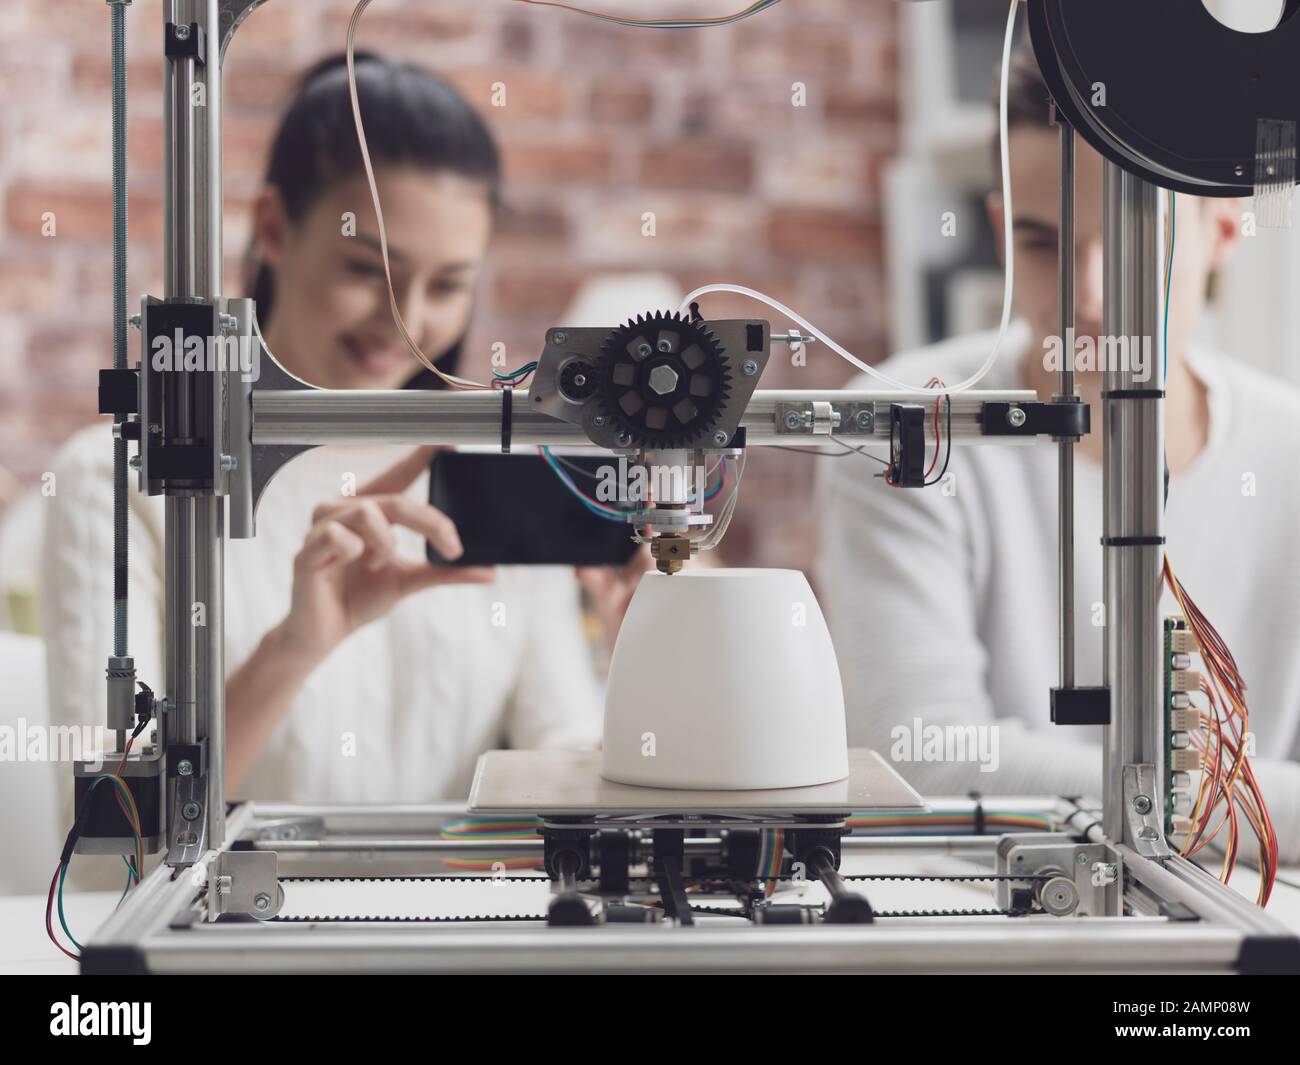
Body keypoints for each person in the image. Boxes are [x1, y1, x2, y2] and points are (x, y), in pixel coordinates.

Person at [41, 55, 607, 833]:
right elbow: (112, 842)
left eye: (446, 285)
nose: (406, 319)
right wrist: (292, 649)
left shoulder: (499, 471)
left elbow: (563, 749)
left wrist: (654, 665)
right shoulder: (117, 479)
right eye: (366, 269)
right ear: (272, 227)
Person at [816, 40, 1300, 861]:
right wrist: (1243, 803)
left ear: (1224, 228)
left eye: (1136, 236)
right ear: (1002, 231)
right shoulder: (900, 428)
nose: (1089, 295)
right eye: (1044, 243)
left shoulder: (1286, 454)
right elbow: (922, 759)